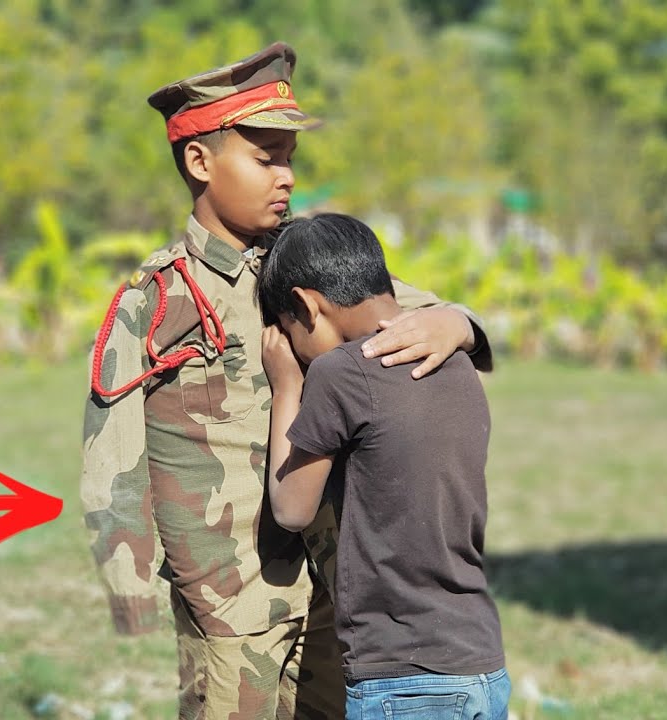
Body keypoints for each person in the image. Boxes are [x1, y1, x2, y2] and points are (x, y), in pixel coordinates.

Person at [78, 43, 493, 720]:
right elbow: (110, 450)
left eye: (290, 158)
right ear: (200, 162)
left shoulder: (304, 261)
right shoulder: (157, 300)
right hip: (227, 590)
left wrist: (460, 324)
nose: (286, 177)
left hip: (331, 581)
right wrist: (128, 582)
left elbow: (402, 308)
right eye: (265, 156)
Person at [257, 213, 510, 720]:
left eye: (288, 329)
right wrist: (458, 322)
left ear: (306, 306)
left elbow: (291, 508)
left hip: (401, 674)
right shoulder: (458, 363)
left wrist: (287, 385)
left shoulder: (337, 373)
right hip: (481, 663)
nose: (293, 348)